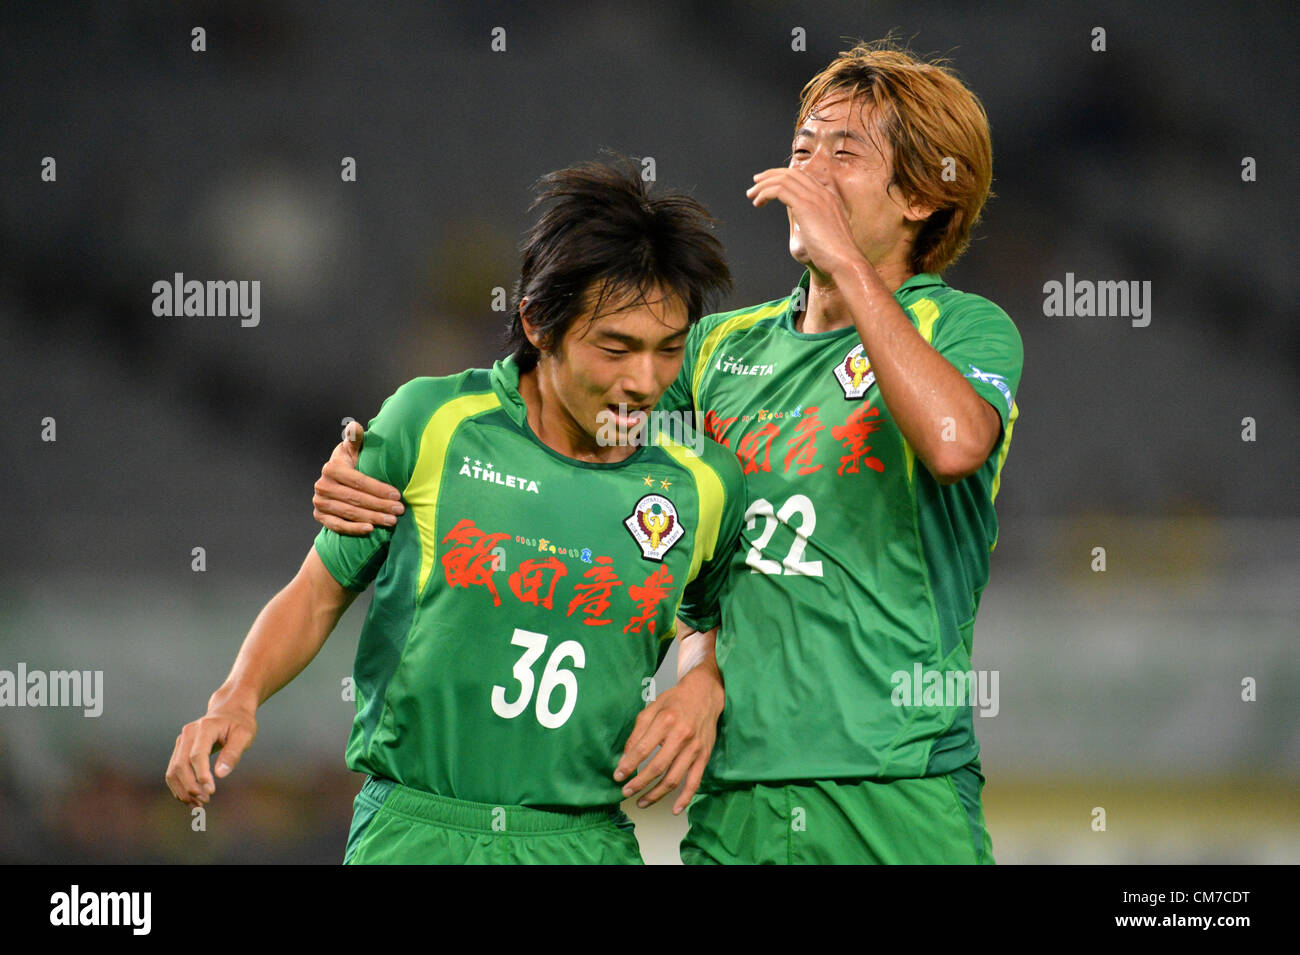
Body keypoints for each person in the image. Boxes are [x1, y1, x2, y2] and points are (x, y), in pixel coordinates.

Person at [314, 39, 1023, 864]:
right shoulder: (715, 351)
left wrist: (849, 269)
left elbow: (952, 443)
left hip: (898, 785)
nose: (809, 171)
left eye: (844, 152)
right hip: (739, 793)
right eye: (801, 148)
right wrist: (381, 459)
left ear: (921, 196)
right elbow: (574, 441)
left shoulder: (963, 329)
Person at [165, 160, 742, 864]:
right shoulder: (430, 422)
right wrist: (236, 695)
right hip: (418, 829)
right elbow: (318, 593)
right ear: (537, 323)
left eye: (668, 351)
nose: (644, 380)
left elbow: (719, 618)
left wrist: (704, 679)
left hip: (587, 839)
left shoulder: (702, 482)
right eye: (615, 347)